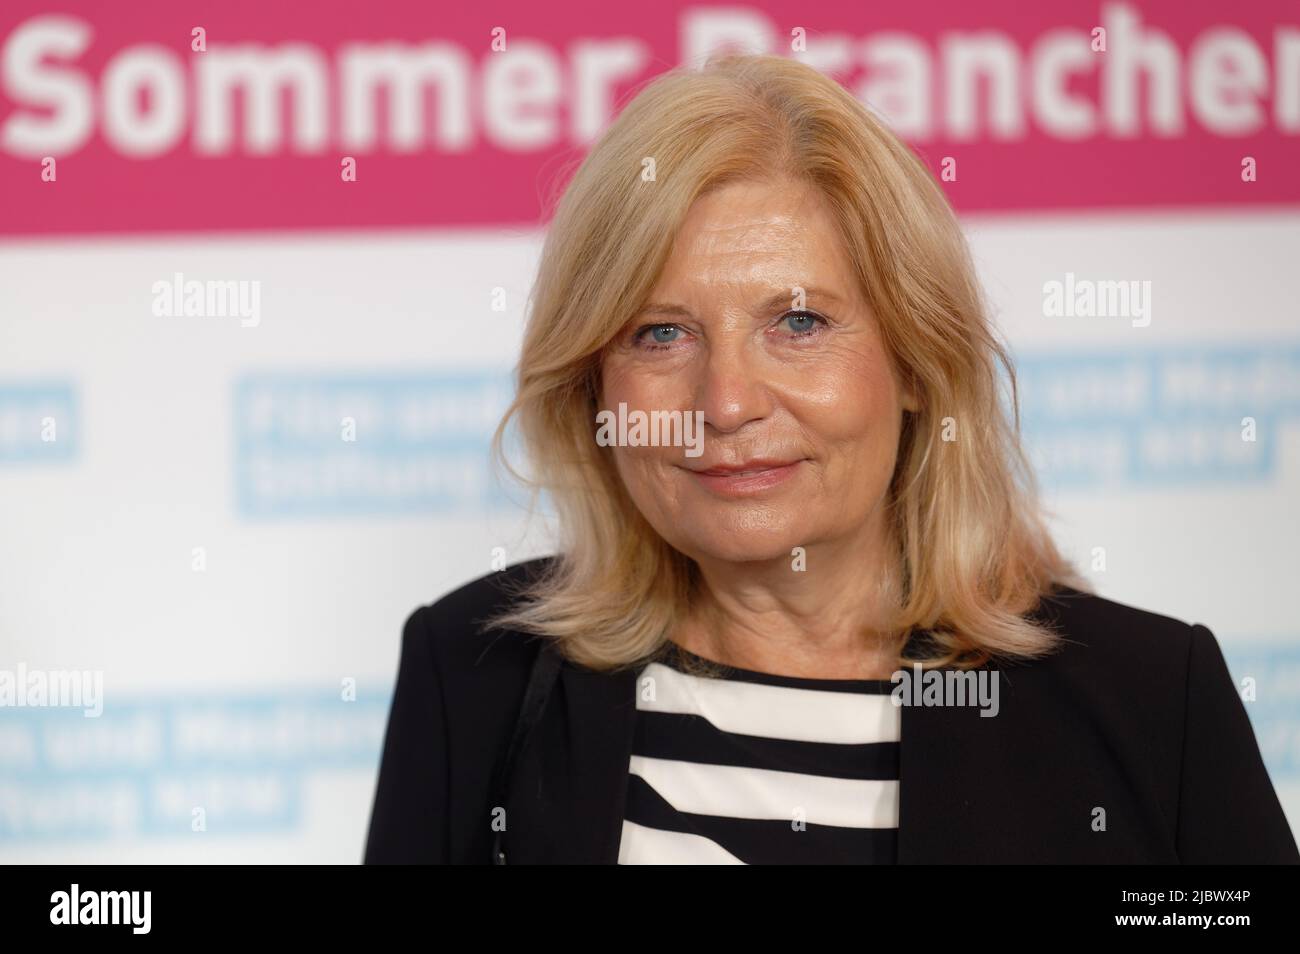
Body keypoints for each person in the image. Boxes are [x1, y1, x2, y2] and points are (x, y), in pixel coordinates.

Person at [363, 53, 1298, 864]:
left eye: (799, 321)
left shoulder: (1149, 702)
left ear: (917, 366)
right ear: (593, 388)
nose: (725, 403)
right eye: (660, 333)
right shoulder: (472, 678)